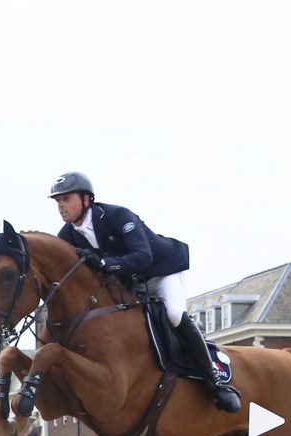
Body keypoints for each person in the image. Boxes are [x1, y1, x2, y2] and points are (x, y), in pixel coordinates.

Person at [48, 170, 240, 413]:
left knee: (174, 313)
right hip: (130, 286)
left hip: (161, 274)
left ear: (86, 199)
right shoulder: (66, 236)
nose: (61, 206)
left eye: (66, 199)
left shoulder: (118, 216)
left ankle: (216, 380)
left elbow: (142, 257)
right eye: (58, 201)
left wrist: (105, 264)